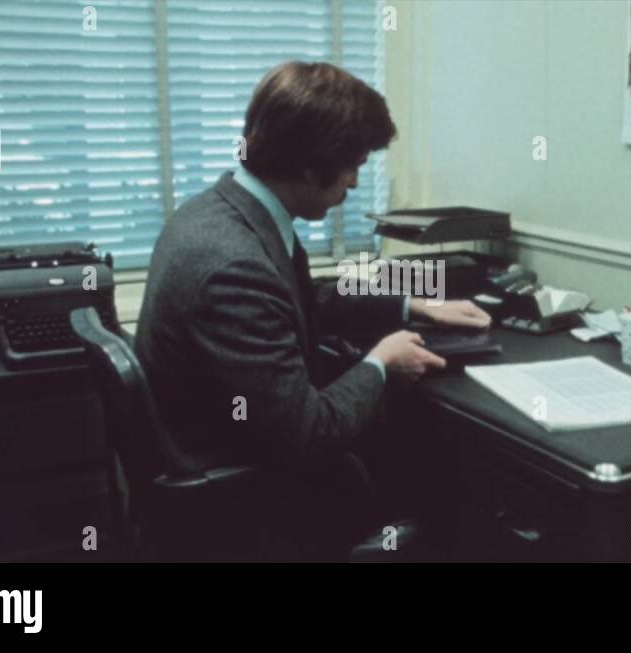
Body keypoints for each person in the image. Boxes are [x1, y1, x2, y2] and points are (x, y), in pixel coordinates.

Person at [134, 61, 491, 557]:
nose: (352, 182)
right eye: (353, 165)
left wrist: (415, 304)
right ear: (309, 163)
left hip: (215, 444)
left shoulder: (226, 211)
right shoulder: (233, 264)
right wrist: (381, 364)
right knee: (454, 501)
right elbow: (308, 435)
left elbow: (307, 299)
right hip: (245, 499)